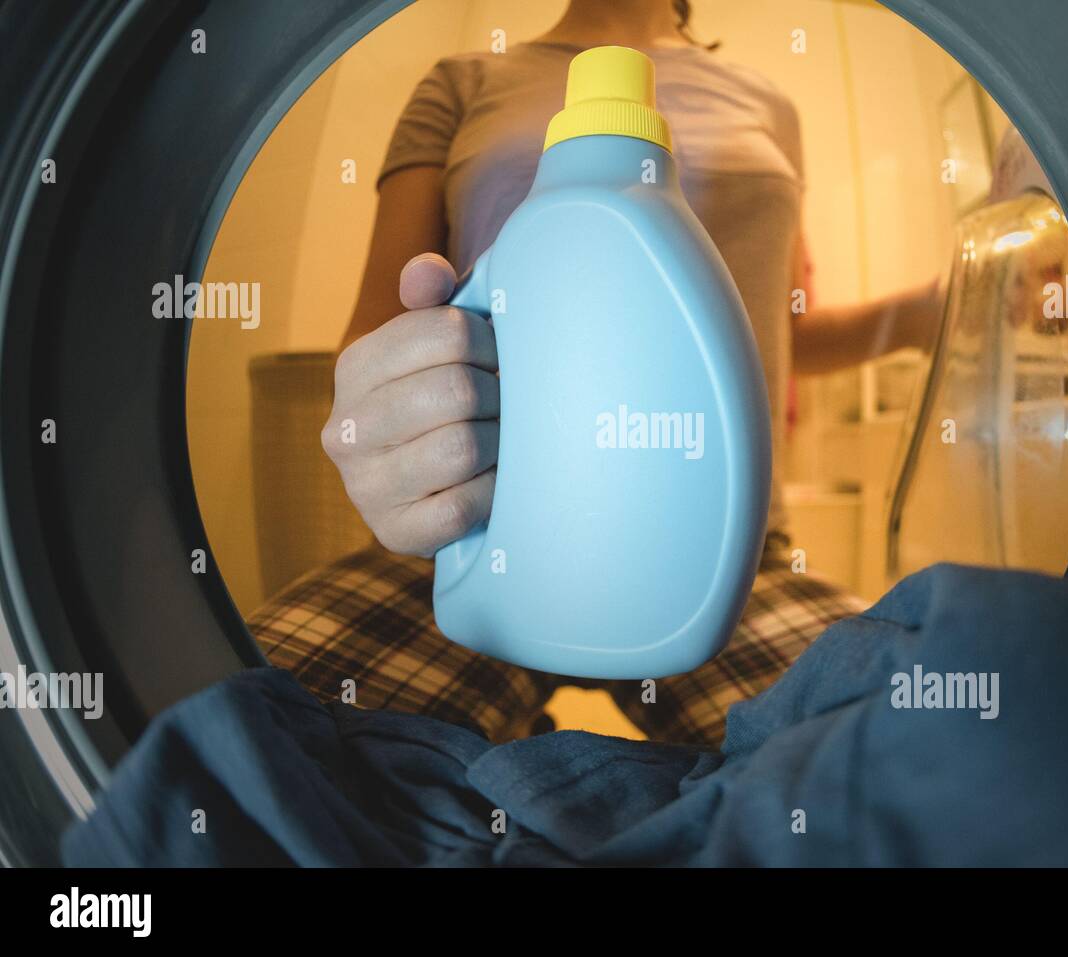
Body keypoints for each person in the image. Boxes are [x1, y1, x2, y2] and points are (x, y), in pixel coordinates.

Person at [248, 0, 941, 745]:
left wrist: (935, 309)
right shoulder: (461, 80)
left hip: (723, 556)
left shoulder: (767, 101)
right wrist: (386, 436)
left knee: (904, 752)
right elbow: (381, 329)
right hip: (478, 536)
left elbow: (775, 327)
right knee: (260, 742)